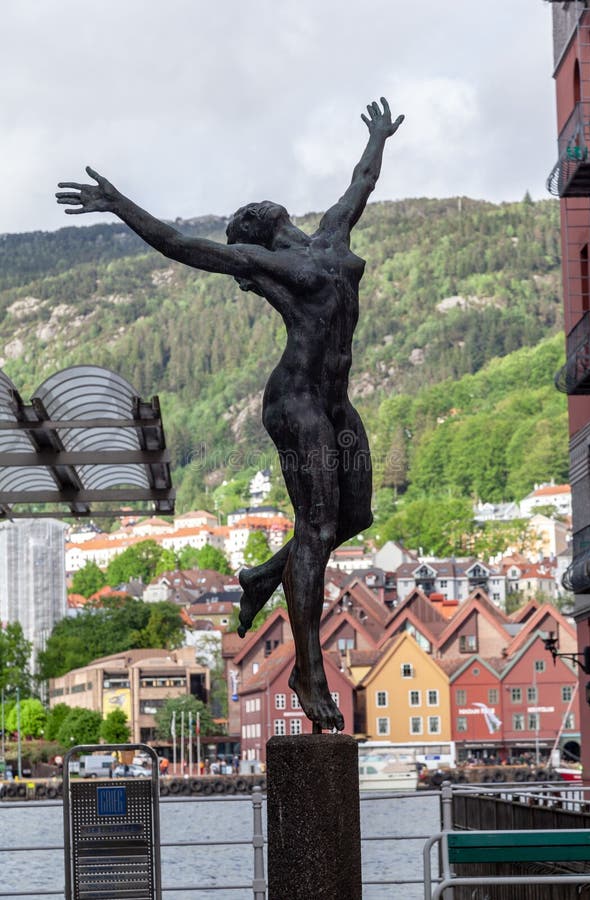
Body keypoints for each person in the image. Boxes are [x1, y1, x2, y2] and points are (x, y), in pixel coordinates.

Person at [56, 98, 404, 732]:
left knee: (356, 516)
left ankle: (265, 572)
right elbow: (177, 244)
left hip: (334, 401)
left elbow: (362, 182)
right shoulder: (274, 262)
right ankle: (307, 671)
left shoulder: (330, 238)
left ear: (261, 229)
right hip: (296, 404)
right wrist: (118, 204)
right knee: (319, 531)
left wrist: (378, 137)